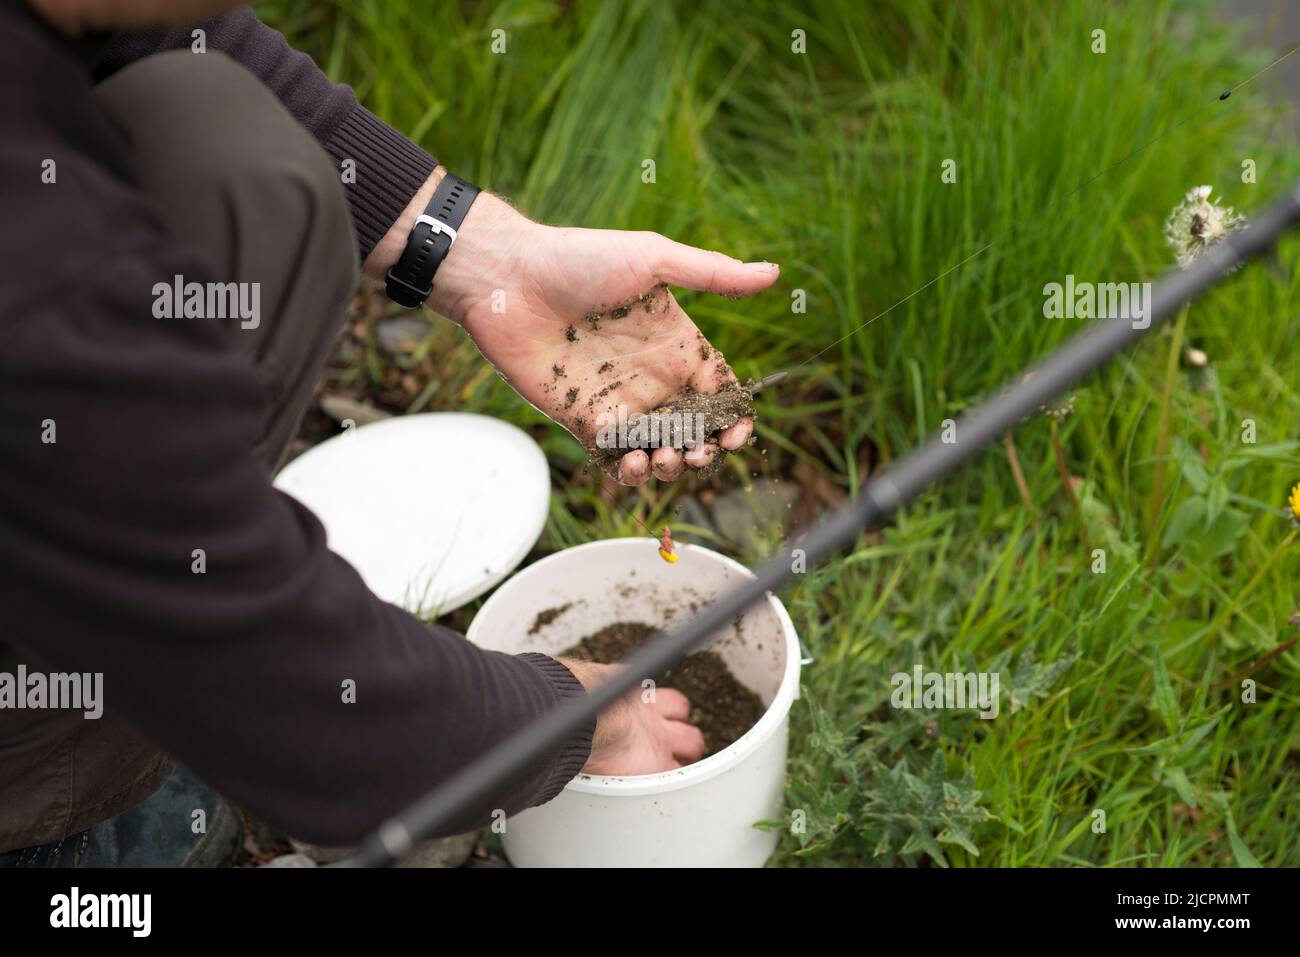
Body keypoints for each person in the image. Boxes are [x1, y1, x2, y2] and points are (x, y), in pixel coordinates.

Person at [0, 0, 781, 866]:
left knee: (224, 147)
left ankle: (109, 670)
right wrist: (581, 716)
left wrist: (491, 259)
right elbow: (295, 687)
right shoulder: (39, 275)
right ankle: (37, 810)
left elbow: (167, 31)